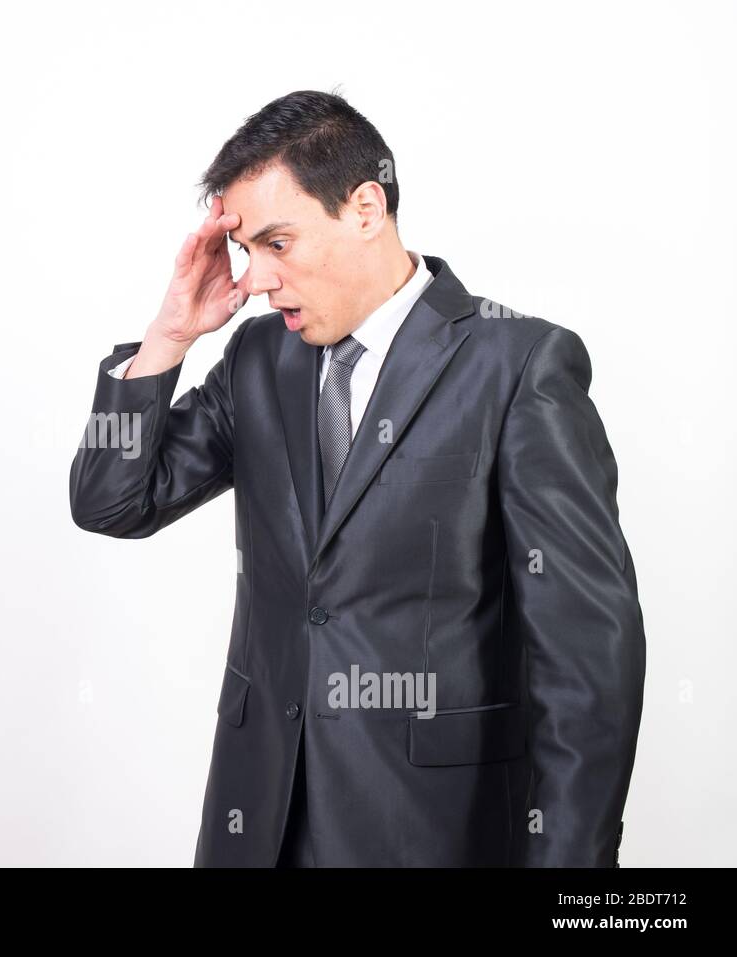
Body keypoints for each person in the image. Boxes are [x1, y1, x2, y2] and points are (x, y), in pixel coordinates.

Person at [68, 90, 646, 867]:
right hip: (258, 824)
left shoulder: (518, 366)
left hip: (435, 831)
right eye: (248, 252)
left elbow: (586, 663)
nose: (260, 281)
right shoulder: (257, 361)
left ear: (366, 206)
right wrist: (170, 334)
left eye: (278, 242)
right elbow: (112, 500)